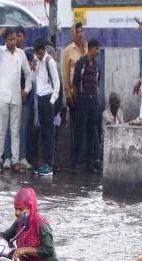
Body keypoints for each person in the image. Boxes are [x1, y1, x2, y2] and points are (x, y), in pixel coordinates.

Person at [0, 28, 32, 172]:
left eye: (14, 39)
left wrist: (26, 90)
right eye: (10, 39)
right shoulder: (0, 52)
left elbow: (28, 73)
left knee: (15, 131)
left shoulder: (21, 54)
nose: (13, 42)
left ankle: (15, 161)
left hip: (16, 98)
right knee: (1, 130)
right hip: (2, 97)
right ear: (6, 40)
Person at [72, 39, 102, 174]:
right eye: (97, 49)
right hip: (82, 101)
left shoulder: (97, 66)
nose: (98, 51)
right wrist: (77, 99)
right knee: (79, 132)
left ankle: (90, 163)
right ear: (90, 49)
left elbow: (97, 83)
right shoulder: (81, 64)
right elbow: (75, 84)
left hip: (93, 102)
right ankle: (77, 163)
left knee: (92, 132)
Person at [32, 39, 61, 177]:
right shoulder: (37, 61)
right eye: (37, 54)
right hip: (40, 97)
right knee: (43, 133)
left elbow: (57, 83)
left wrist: (52, 100)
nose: (39, 55)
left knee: (49, 134)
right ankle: (45, 162)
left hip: (48, 98)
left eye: (41, 53)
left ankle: (50, 164)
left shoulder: (50, 62)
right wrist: (35, 65)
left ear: (44, 50)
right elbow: (35, 77)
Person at [62, 22, 86, 161]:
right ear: (73, 34)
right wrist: (68, 95)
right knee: (75, 130)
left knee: (86, 129)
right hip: (75, 95)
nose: (81, 34)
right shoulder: (68, 51)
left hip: (87, 95)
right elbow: (65, 74)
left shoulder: (88, 48)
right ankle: (75, 160)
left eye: (82, 31)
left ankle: (84, 159)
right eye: (78, 32)